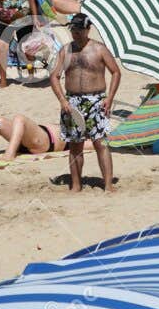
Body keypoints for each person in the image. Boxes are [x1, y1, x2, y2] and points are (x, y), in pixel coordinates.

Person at [49, 13, 121, 193]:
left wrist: (110, 98)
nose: (76, 33)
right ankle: (76, 185)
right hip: (72, 101)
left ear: (88, 29)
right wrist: (62, 100)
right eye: (73, 30)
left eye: (79, 30)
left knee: (101, 144)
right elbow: (54, 76)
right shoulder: (66, 50)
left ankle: (108, 184)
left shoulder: (99, 49)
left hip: (96, 100)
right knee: (75, 146)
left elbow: (116, 72)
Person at [0, 112, 64, 160]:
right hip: (25, 142)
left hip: (46, 142)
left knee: (19, 118)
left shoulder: (72, 130)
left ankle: (10, 154)